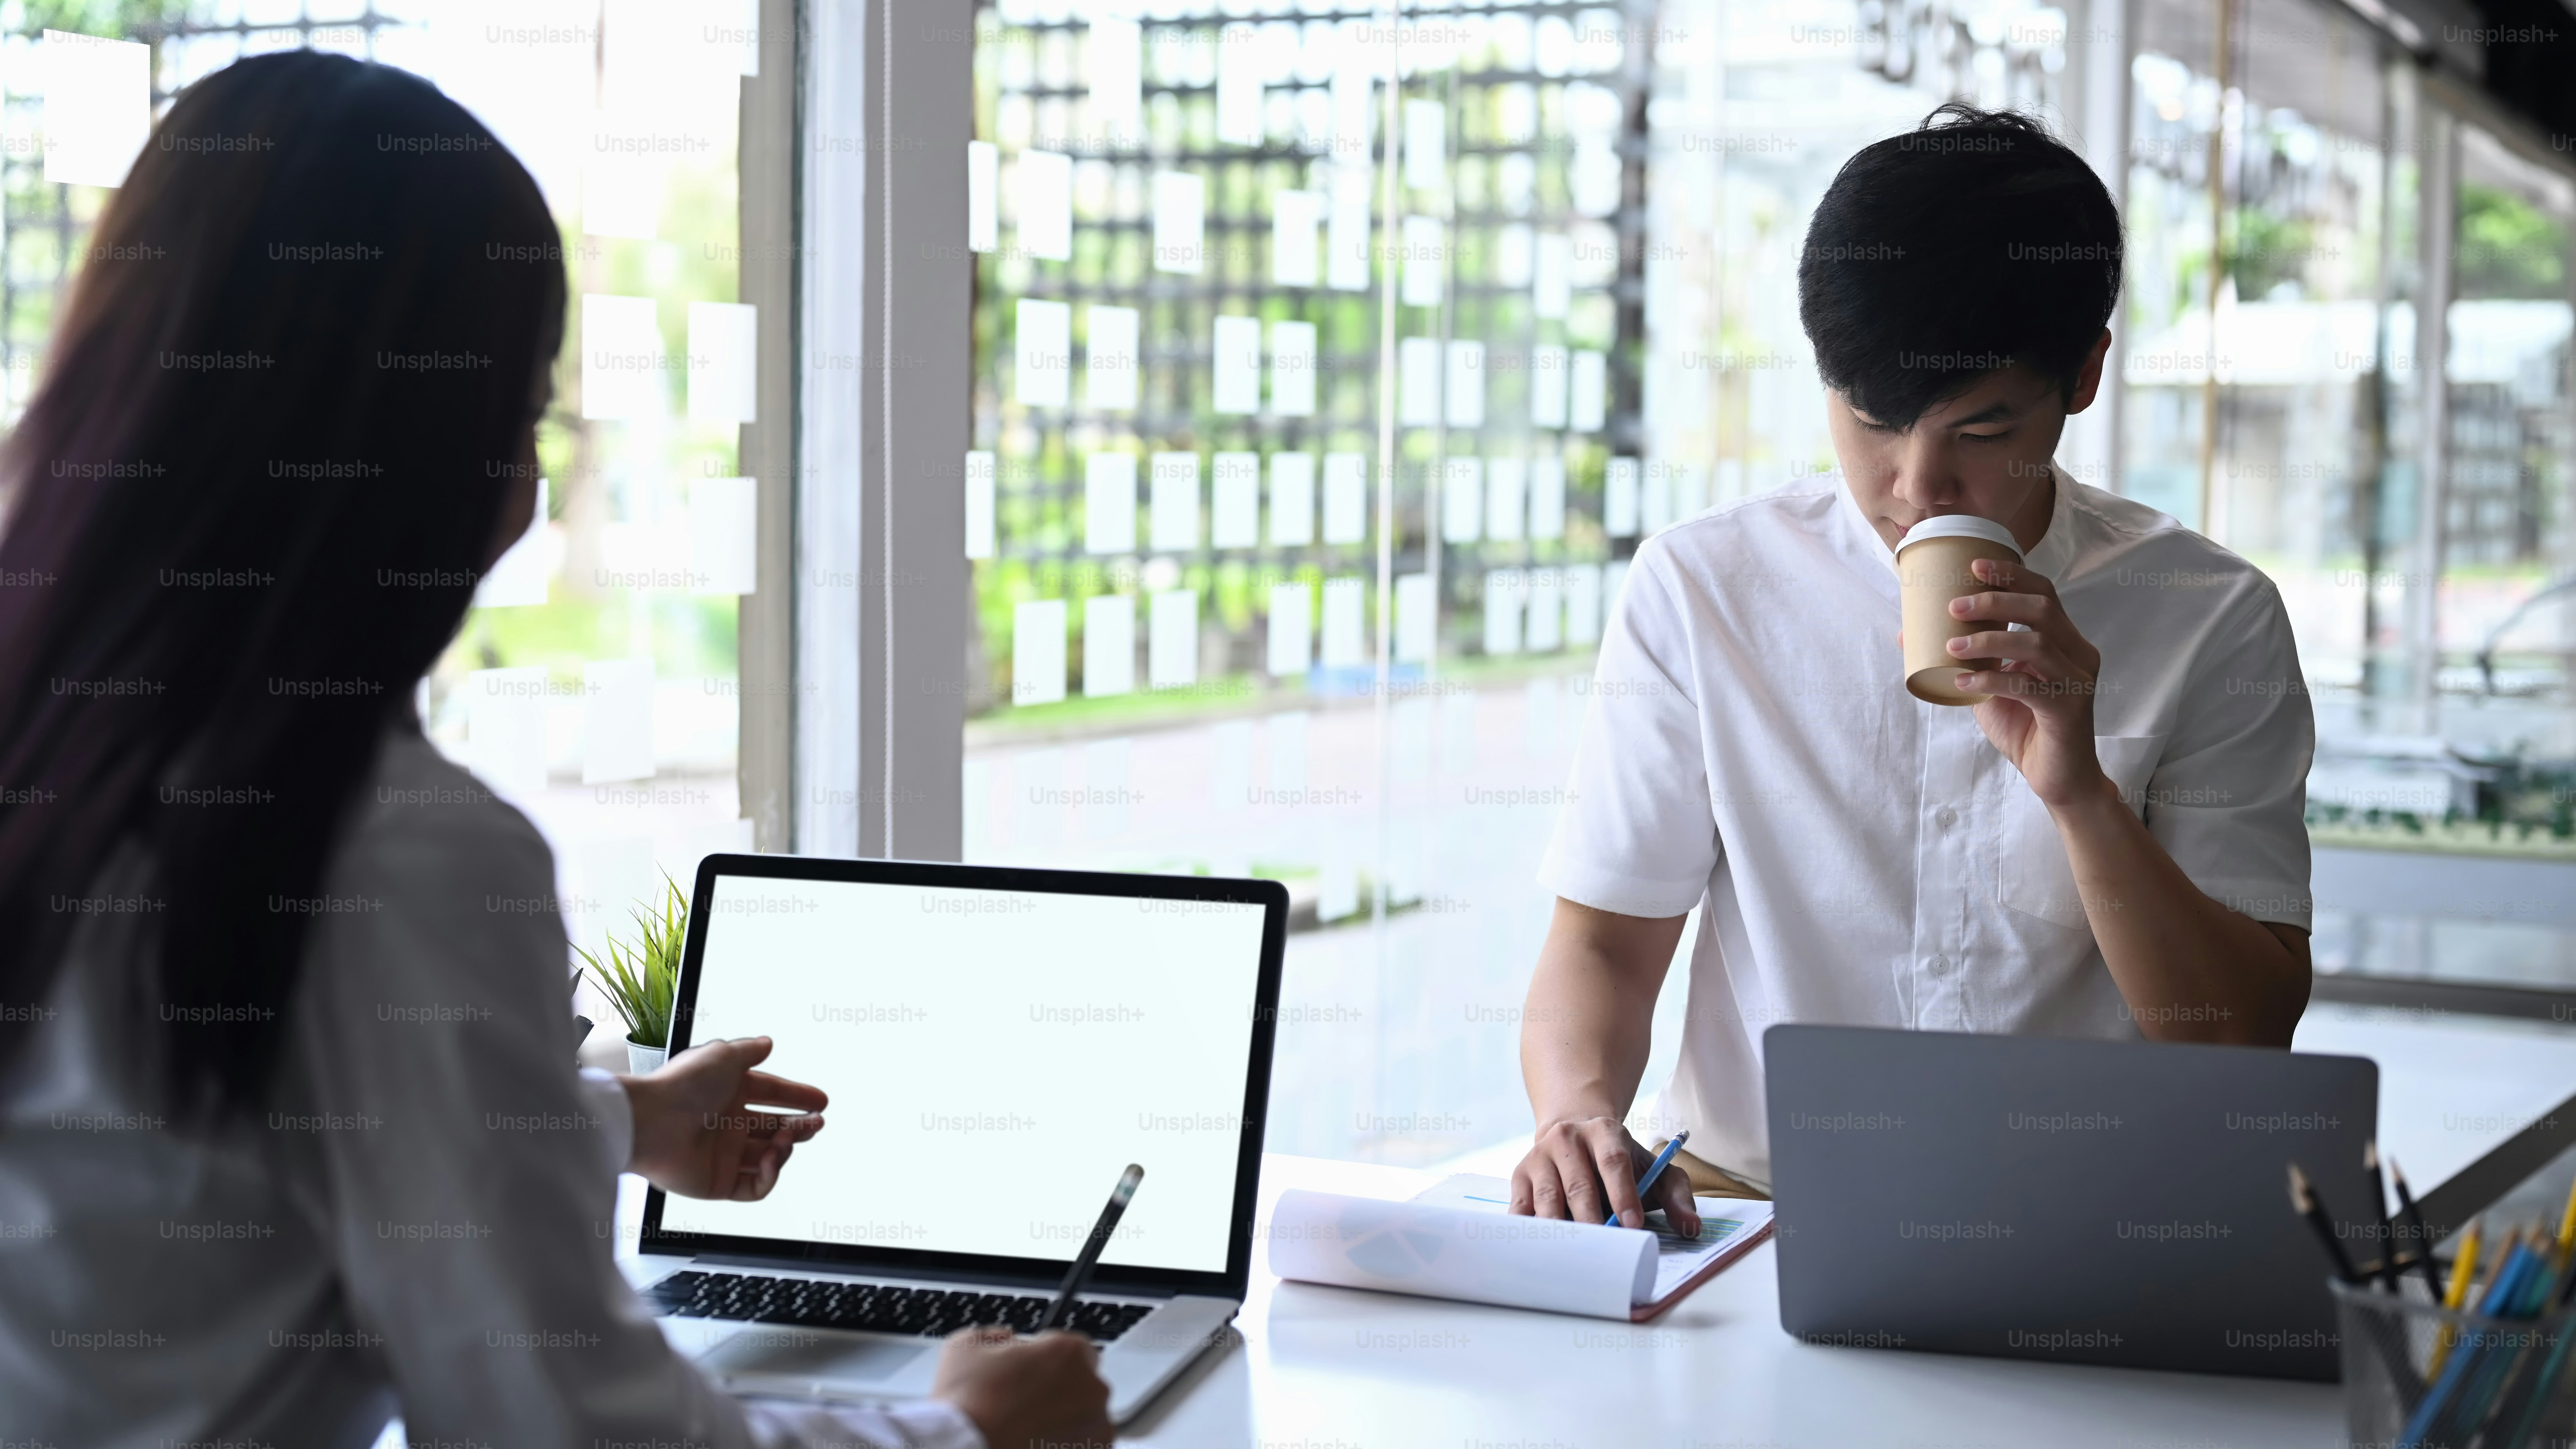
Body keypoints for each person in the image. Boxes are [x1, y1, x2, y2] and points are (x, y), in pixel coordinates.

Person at [0, 53, 1108, 1449]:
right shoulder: (383, 849)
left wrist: (627, 1121)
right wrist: (972, 1435)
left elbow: (220, 1150)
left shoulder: (73, 744)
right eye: (517, 418)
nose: (524, 491)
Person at [1511, 105, 2315, 1234]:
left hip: (2092, 1228)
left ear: (2085, 374)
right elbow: (1603, 940)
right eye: (1873, 419)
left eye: (1982, 432)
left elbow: (2242, 1039)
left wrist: (2082, 795)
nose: (1917, 487)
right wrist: (1576, 1112)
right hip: (1760, 1214)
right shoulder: (1705, 590)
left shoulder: (2209, 616)